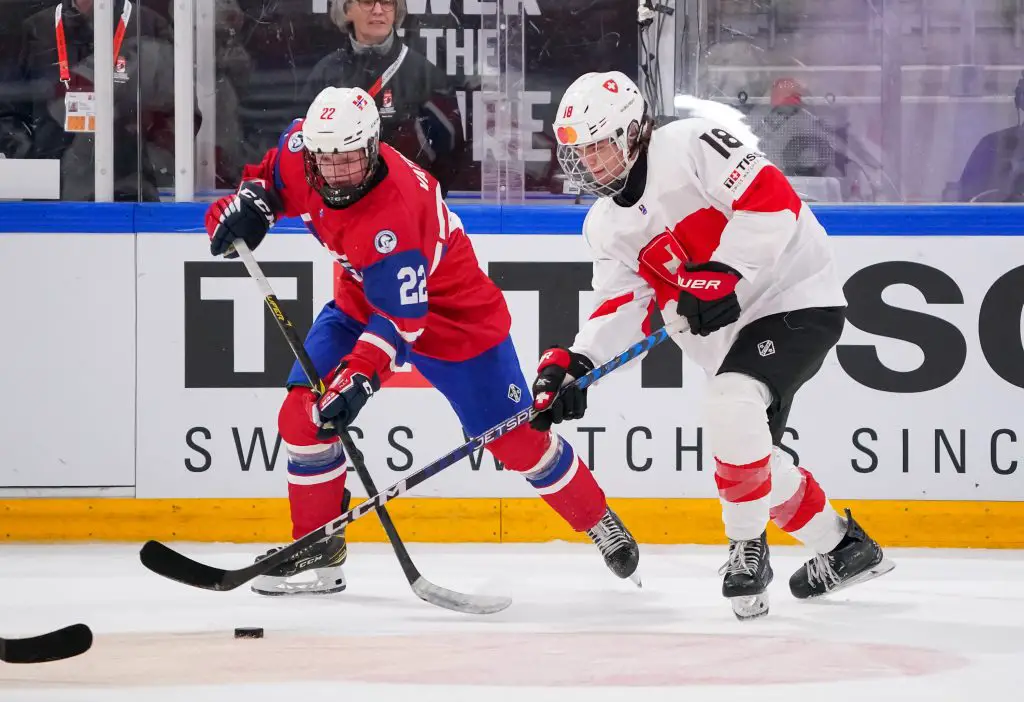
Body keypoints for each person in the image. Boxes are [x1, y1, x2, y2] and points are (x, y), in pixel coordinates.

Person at [203, 85, 640, 596]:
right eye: (329, 161)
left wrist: (359, 379)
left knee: (514, 438)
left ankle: (596, 517)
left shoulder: (398, 210)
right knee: (301, 417)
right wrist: (245, 208)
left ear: (371, 147)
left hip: (456, 324)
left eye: (349, 160)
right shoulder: (308, 151)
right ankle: (317, 548)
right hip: (359, 304)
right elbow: (267, 181)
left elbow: (402, 323)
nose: (338, 173)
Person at [535, 71, 893, 620]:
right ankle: (845, 548)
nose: (590, 164)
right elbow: (618, 306)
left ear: (635, 132)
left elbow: (773, 202)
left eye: (601, 147)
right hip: (729, 337)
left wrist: (726, 270)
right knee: (746, 447)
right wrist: (580, 364)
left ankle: (747, 551)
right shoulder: (605, 226)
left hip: (793, 296)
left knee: (730, 404)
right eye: (580, 153)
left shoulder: (691, 145)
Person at [11, 0, 200, 201]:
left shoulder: (147, 24)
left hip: (128, 194)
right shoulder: (38, 28)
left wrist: (145, 132)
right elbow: (12, 113)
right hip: (50, 193)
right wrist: (28, 159)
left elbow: (182, 115)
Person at [301, 0, 465, 197]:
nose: (378, 10)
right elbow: (303, 144)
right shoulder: (326, 73)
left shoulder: (423, 74)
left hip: (404, 202)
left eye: (387, 2)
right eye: (368, 2)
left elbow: (450, 150)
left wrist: (425, 202)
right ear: (346, 10)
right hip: (340, 205)